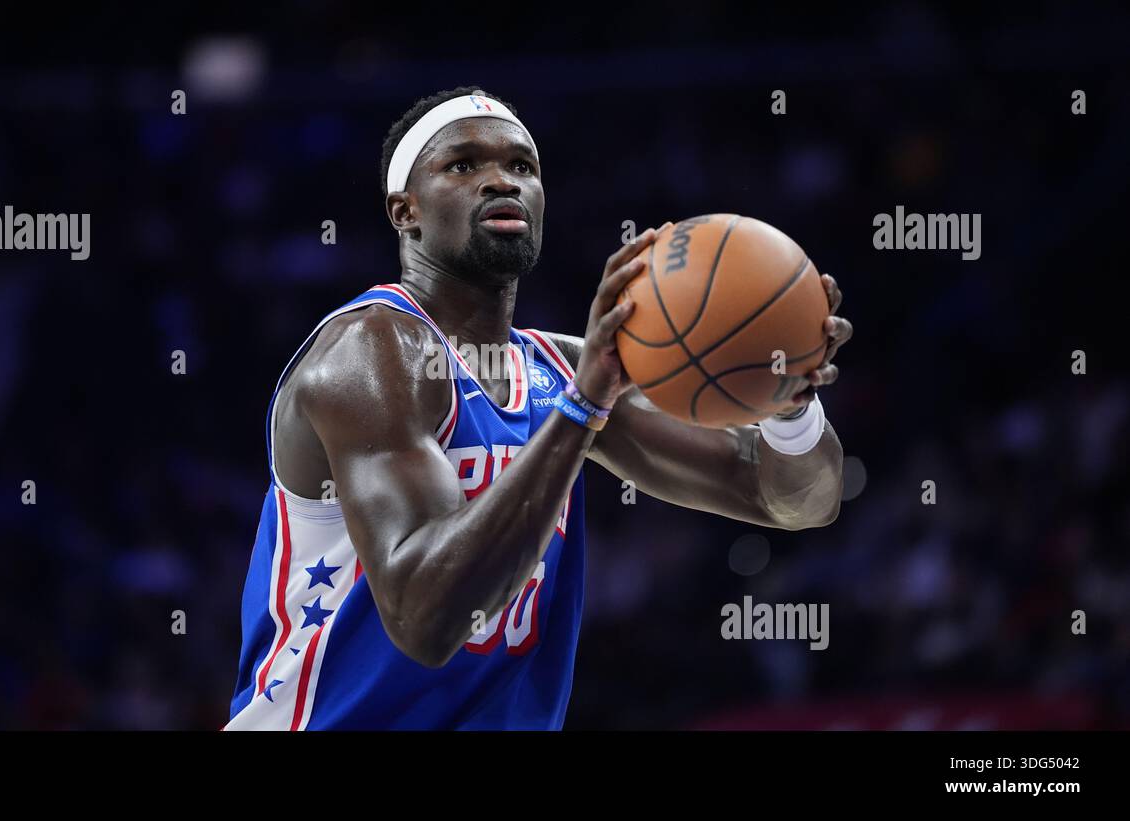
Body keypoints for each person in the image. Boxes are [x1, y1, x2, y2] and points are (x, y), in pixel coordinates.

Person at [226, 86, 853, 730]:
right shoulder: (371, 352)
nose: (501, 180)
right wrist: (583, 408)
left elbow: (794, 499)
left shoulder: (558, 370)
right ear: (405, 211)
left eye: (522, 166)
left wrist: (788, 403)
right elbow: (426, 617)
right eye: (463, 166)